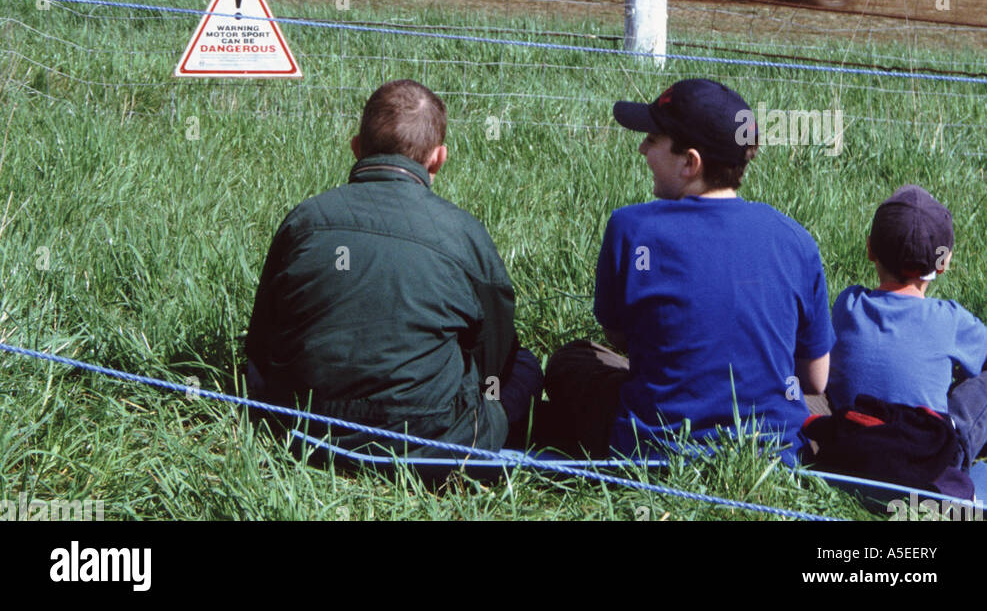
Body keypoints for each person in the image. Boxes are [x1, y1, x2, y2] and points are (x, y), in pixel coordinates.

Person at [543, 78, 834, 465]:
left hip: (653, 451)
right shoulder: (796, 240)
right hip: (774, 454)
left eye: (653, 138)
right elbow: (815, 380)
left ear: (690, 162)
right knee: (819, 396)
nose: (642, 147)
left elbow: (620, 335)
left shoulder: (631, 228)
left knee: (571, 360)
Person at [246, 79, 542, 459]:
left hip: (300, 426)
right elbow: (494, 354)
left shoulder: (305, 219)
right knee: (524, 366)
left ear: (356, 147)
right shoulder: (464, 232)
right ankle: (496, 433)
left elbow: (262, 338)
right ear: (439, 158)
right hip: (433, 437)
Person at [824, 185, 987, 499]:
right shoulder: (950, 319)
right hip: (928, 457)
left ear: (870, 249)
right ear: (944, 263)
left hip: (857, 441)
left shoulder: (848, 304)